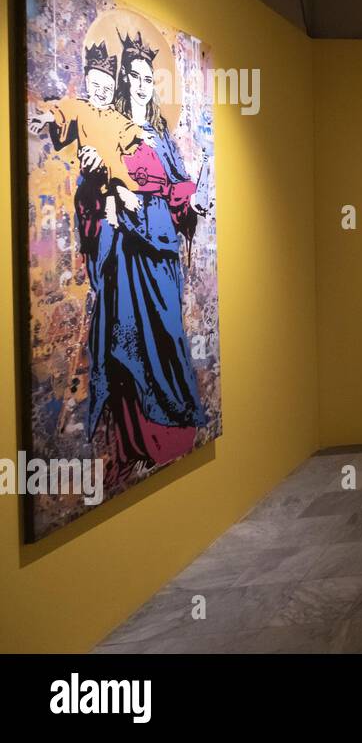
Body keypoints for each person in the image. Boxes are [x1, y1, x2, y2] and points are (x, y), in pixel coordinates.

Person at [90, 30, 209, 489]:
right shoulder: (113, 131)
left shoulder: (160, 136)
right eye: (134, 77)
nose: (141, 84)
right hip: (128, 257)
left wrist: (191, 201)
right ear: (124, 81)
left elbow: (179, 187)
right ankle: (138, 445)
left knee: (167, 338)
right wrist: (117, 194)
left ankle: (172, 437)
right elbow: (97, 183)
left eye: (147, 78)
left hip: (161, 259)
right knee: (132, 343)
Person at [27, 40, 146, 284]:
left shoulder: (118, 118)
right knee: (95, 244)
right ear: (87, 83)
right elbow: (63, 110)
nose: (101, 91)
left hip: (116, 180)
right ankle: (98, 277)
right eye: (95, 84)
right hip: (91, 187)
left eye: (107, 86)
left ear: (114, 86)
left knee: (118, 239)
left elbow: (133, 136)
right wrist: (44, 116)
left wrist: (144, 137)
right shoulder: (81, 108)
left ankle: (119, 200)